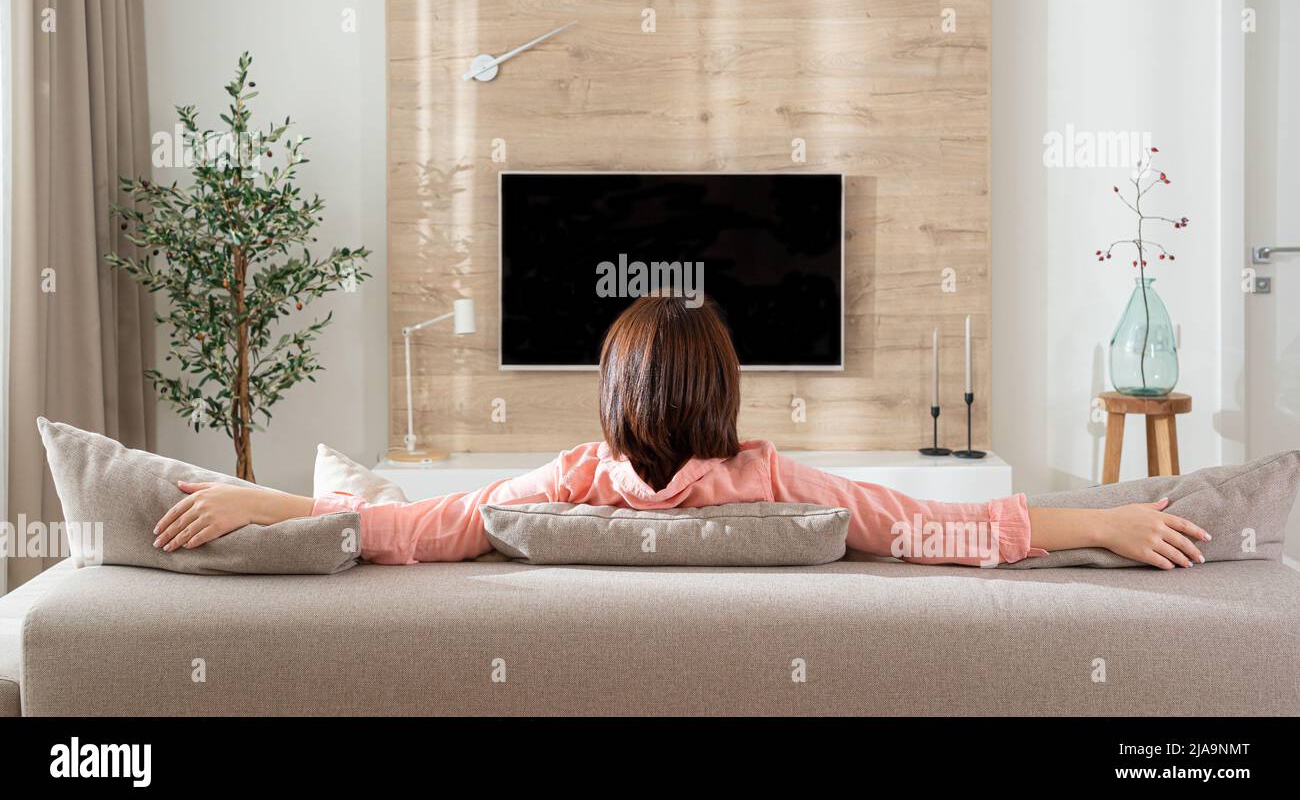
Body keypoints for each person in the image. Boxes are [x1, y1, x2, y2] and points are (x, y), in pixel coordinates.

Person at [153, 295, 1209, 569]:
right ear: (724, 388)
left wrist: (262, 500)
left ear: (615, 391)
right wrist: (1101, 528)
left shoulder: (563, 486)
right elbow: (934, 528)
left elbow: (404, 530)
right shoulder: (775, 484)